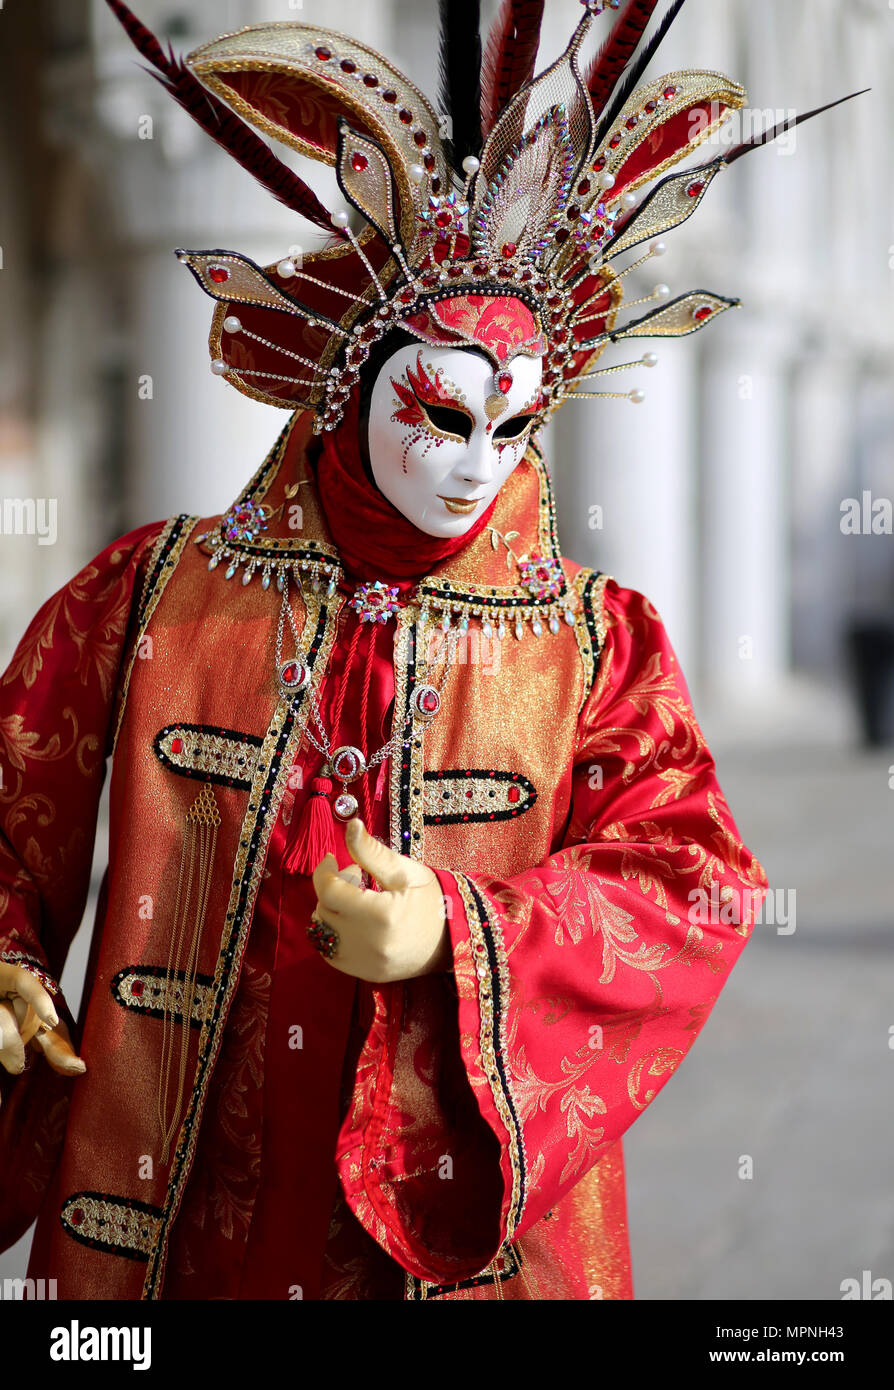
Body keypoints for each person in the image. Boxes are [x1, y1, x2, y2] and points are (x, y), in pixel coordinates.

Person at [0, 0, 848, 1301]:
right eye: (441, 411)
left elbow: (691, 878)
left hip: (447, 1222)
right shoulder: (151, 591)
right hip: (183, 1208)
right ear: (348, 386)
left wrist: (461, 940)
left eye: (511, 427)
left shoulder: (594, 637)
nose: (471, 467)